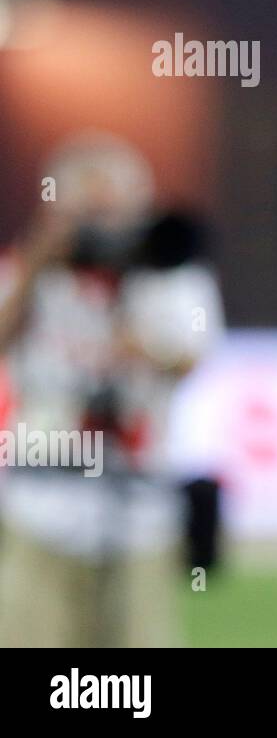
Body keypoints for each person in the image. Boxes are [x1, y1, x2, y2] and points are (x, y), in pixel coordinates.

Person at [0, 132, 225, 646]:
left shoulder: (171, 276)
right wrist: (38, 263)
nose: (105, 231)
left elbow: (193, 355)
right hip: (42, 506)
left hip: (139, 507)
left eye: (116, 212)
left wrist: (139, 335)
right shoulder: (27, 271)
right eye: (90, 215)